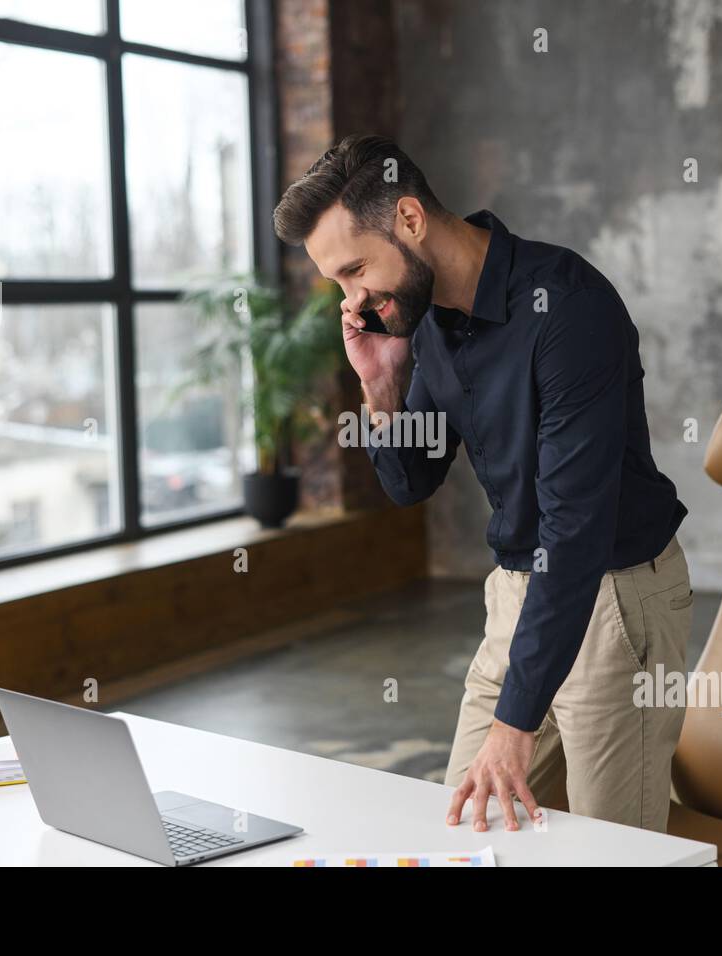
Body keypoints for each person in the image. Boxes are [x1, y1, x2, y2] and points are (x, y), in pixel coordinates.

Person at [273, 134, 692, 834]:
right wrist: (380, 383)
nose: (353, 301)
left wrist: (514, 724)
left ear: (409, 220)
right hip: (518, 596)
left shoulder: (566, 309)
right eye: (338, 286)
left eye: (354, 271)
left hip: (613, 599)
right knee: (467, 836)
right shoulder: (431, 321)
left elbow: (576, 533)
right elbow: (413, 482)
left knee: (614, 853)